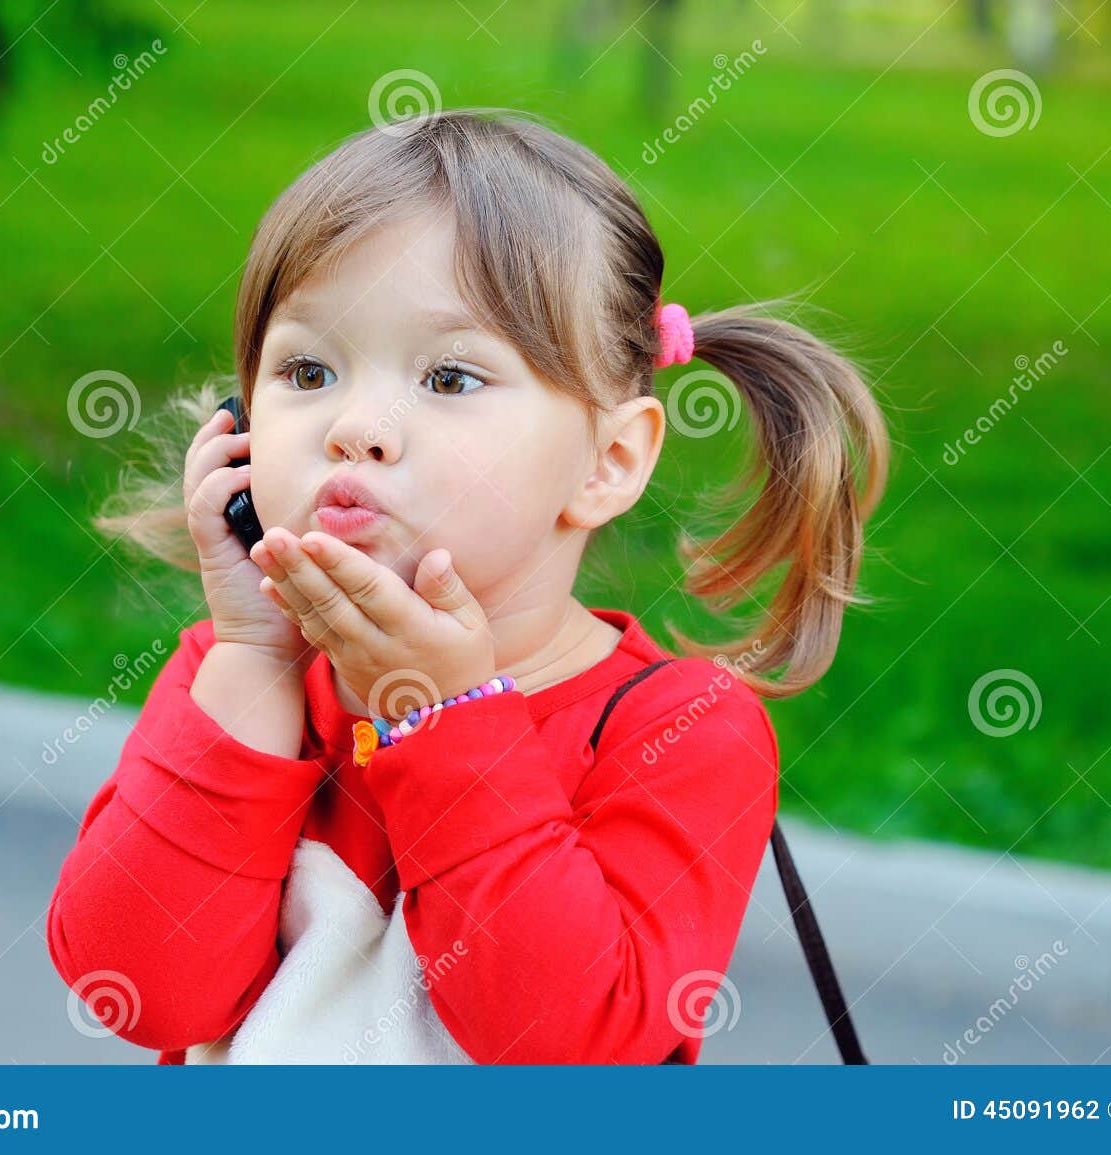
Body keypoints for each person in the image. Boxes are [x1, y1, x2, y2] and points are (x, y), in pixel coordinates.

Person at [46, 106, 889, 1065]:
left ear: (608, 461)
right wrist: (251, 663)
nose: (355, 427)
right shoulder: (234, 677)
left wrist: (447, 719)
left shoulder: (680, 730)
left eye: (448, 379)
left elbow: (566, 1045)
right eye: (308, 370)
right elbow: (140, 991)